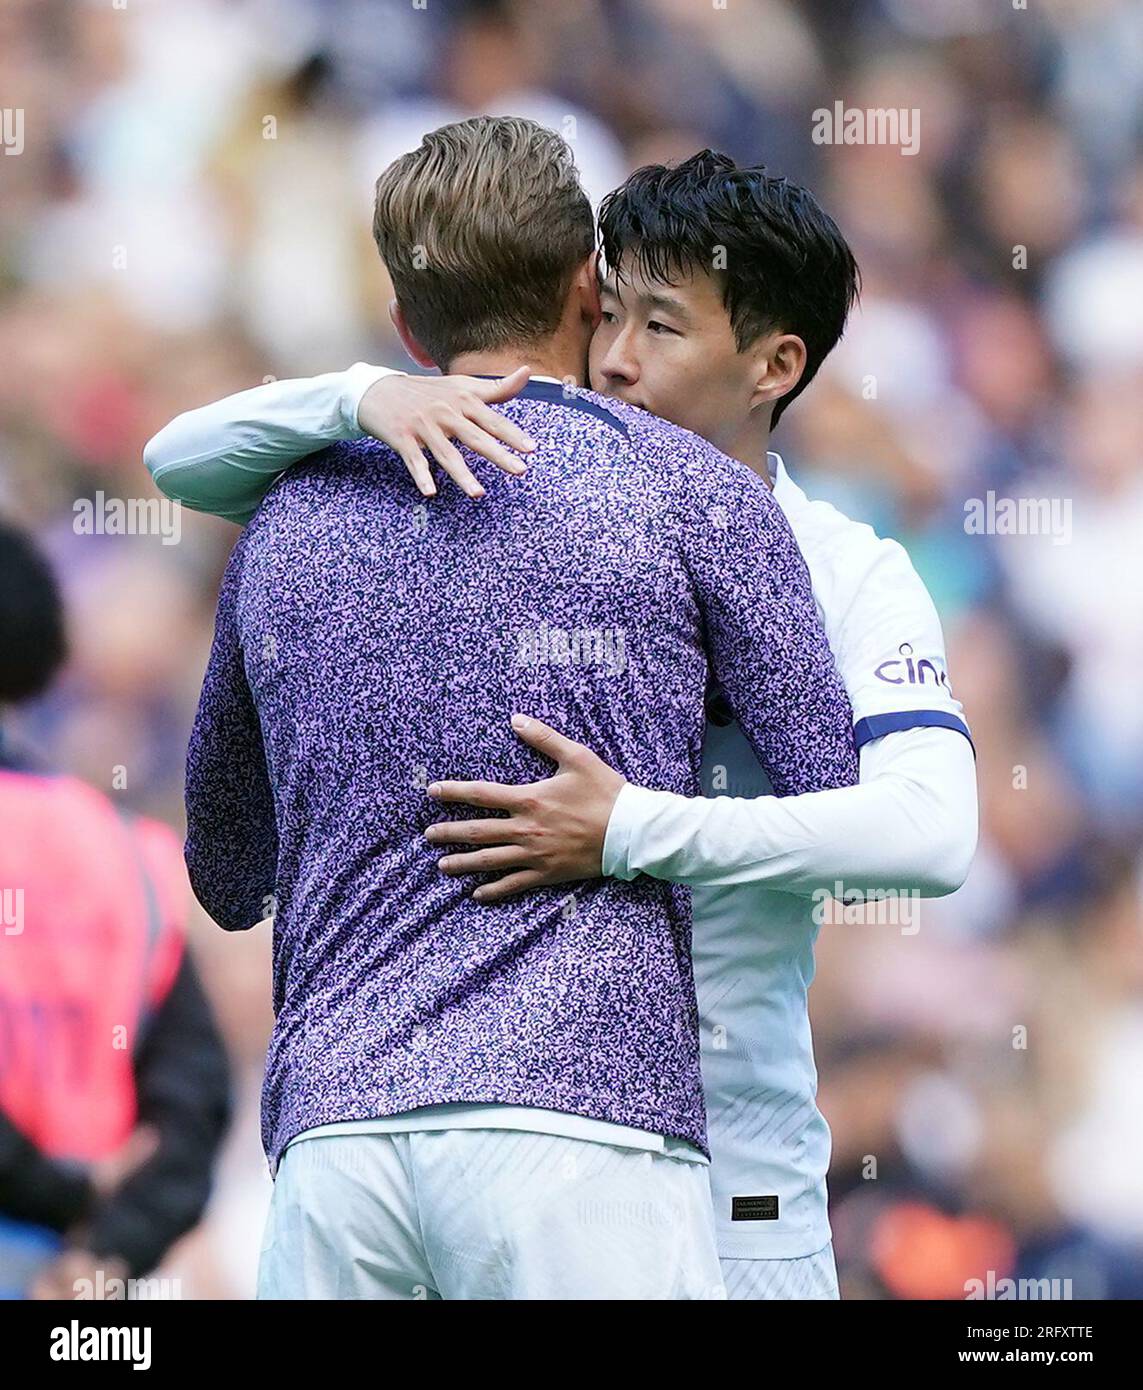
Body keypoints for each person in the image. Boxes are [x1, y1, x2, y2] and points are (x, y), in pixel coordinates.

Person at [147, 149, 978, 1304]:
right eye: (614, 313)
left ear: (775, 364)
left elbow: (929, 835)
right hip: (571, 1150)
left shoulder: (847, 570)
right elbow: (175, 459)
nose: (621, 359)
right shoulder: (491, 477)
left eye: (665, 328)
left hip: (731, 1178)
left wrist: (634, 826)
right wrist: (361, 394)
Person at [0, 519, 231, 1299]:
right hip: (83, 1277)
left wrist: (66, 1188)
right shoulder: (124, 849)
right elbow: (192, 1103)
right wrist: (109, 1247)